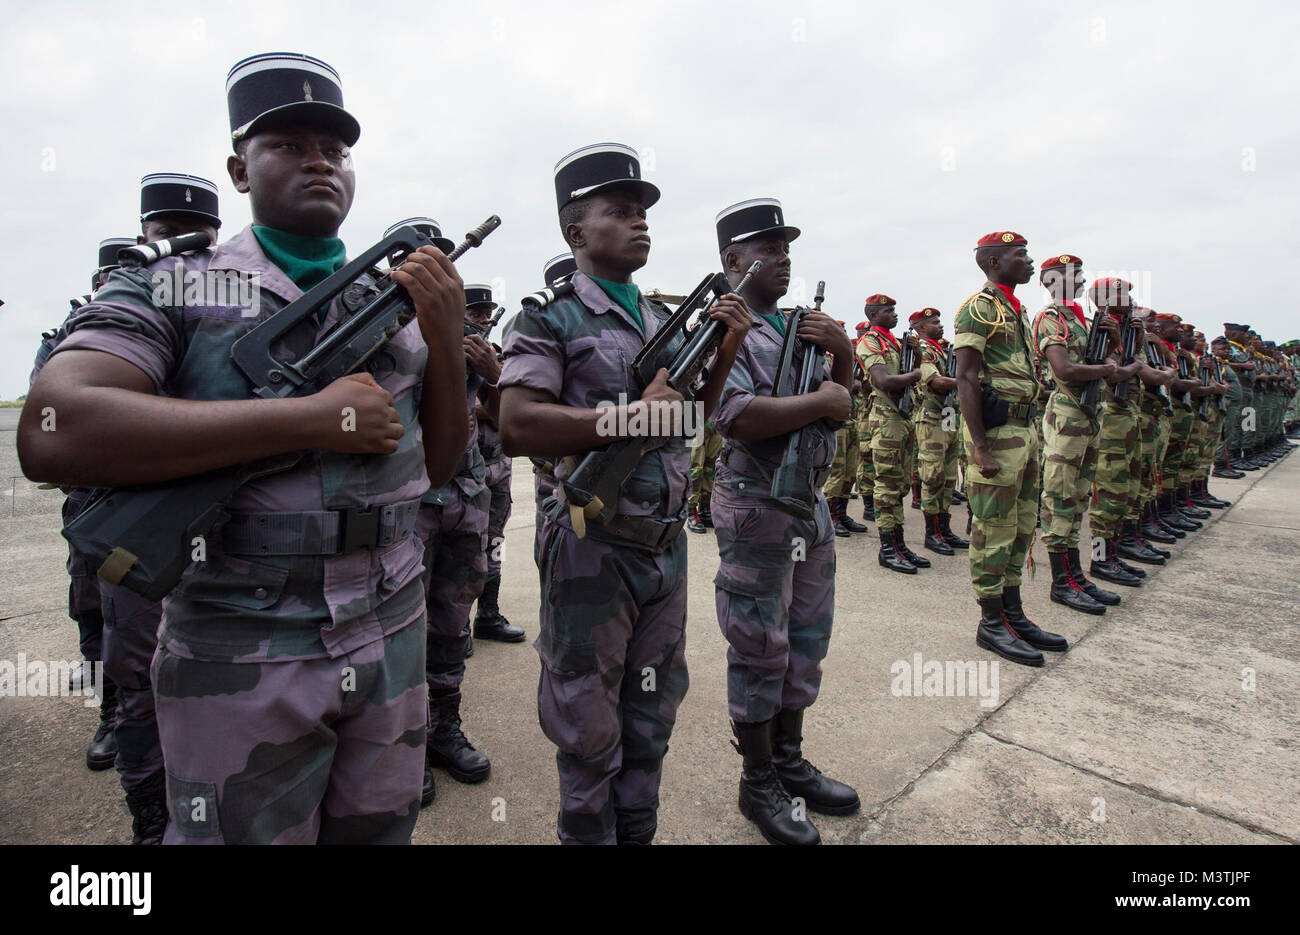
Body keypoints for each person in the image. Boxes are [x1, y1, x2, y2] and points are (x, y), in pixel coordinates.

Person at [20, 52, 470, 844]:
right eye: (289, 145)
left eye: (334, 149)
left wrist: (443, 335)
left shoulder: (387, 297)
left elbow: (439, 465)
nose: (319, 161)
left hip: (390, 621)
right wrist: (307, 420)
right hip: (241, 638)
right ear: (238, 169)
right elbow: (57, 423)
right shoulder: (178, 282)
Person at [498, 143, 750, 844]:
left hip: (663, 550)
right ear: (575, 233)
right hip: (591, 548)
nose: (640, 224)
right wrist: (625, 416)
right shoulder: (548, 320)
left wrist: (724, 349)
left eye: (643, 214)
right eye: (620, 212)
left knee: (652, 715)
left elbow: (690, 419)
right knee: (587, 722)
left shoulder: (659, 319)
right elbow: (516, 424)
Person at [704, 198, 858, 846]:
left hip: (808, 505)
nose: (784, 257)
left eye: (788, 247)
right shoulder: (727, 329)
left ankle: (790, 759)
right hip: (757, 504)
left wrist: (844, 356)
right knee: (759, 646)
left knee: (805, 637)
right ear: (733, 261)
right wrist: (822, 397)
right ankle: (758, 777)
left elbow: (842, 405)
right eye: (768, 249)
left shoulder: (805, 325)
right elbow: (733, 415)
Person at [94, 173, 223, 844]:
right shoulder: (128, 301)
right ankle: (149, 813)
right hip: (144, 531)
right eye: (165, 229)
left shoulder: (226, 309)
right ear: (144, 232)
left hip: (215, 537)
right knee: (138, 678)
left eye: (194, 231)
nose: (180, 243)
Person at [953, 232, 1066, 667]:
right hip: (998, 435)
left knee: (1021, 527)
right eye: (1021, 255)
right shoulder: (978, 307)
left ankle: (1014, 613)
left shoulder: (1014, 310)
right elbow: (966, 378)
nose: (1030, 261)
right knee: (992, 529)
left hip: (1026, 429)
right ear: (995, 262)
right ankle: (991, 621)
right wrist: (979, 446)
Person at [1030, 256, 1120, 614]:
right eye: (1071, 275)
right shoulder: (1051, 318)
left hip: (1089, 414)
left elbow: (1103, 366)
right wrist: (1107, 367)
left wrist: (1112, 346)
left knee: (1080, 495)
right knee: (1060, 496)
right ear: (1052, 281)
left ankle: (1076, 575)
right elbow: (1063, 369)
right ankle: (1060, 582)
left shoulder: (1082, 320)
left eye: (1080, 274)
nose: (1080, 279)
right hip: (1067, 415)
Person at [465, 284, 526, 645]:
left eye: (488, 313)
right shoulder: (442, 353)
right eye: (476, 313)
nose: (485, 320)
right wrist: (486, 405)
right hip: (460, 474)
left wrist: (492, 379)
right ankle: (454, 623)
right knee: (460, 550)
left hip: (497, 471)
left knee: (494, 544)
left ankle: (487, 615)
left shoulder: (499, 358)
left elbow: (514, 408)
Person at [857, 295, 928, 573]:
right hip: (886, 421)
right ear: (873, 315)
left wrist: (917, 356)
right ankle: (887, 548)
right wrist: (917, 374)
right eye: (888, 310)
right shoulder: (870, 341)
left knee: (899, 485)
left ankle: (899, 544)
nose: (895, 314)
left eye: (895, 310)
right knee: (886, 485)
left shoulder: (893, 342)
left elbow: (906, 371)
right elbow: (883, 380)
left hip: (902, 418)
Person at [910, 307, 968, 554]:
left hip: (948, 418)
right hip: (932, 418)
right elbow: (935, 382)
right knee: (933, 477)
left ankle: (944, 530)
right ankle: (931, 533)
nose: (940, 325)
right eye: (934, 322)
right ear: (921, 328)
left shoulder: (939, 349)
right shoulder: (923, 351)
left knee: (947, 477)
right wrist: (969, 381)